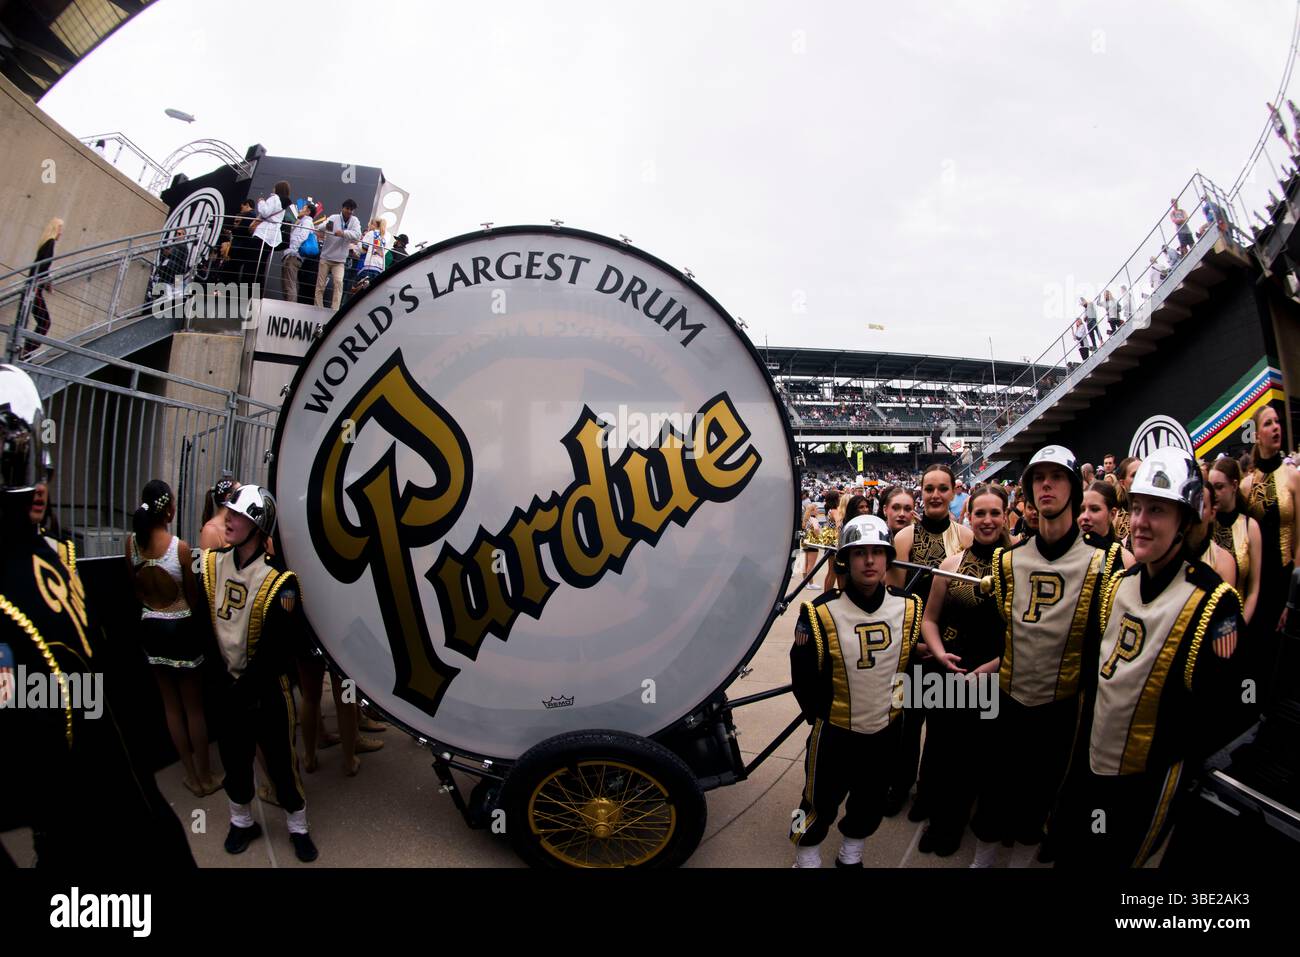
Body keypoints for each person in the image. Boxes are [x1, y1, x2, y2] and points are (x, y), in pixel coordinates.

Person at [0, 364, 195, 868]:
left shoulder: (57, 552)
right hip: (74, 801)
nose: (39, 484)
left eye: (38, 470)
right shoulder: (178, 548)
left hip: (108, 772)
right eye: (24, 467)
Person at [1053, 452, 1241, 867]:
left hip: (1147, 778)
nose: (1140, 521)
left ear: (1186, 520)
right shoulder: (1118, 583)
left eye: (1156, 510)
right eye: (1137, 508)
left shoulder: (1214, 602)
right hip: (1091, 761)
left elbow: (1221, 711)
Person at [976, 445, 1123, 863]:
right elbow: (1006, 635)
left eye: (1056, 477)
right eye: (1038, 478)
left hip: (1062, 706)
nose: (1046, 485)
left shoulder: (1105, 561)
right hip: (1007, 697)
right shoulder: (1007, 560)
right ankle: (982, 858)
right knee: (995, 785)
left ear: (1074, 488)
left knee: (1041, 794)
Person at [789, 515, 922, 867]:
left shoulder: (908, 606)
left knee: (871, 796)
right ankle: (804, 849)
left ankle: (852, 850)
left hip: (886, 728)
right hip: (834, 730)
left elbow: (905, 665)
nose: (869, 560)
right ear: (846, 559)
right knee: (815, 797)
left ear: (888, 557)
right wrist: (821, 715)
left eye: (877, 552)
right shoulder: (819, 612)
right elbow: (802, 675)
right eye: (859, 552)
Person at [195, 485, 319, 862]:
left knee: (281, 764)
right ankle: (241, 821)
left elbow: (276, 653)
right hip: (227, 687)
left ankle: (297, 827)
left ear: (259, 525)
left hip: (265, 692)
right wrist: (220, 684)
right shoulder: (211, 564)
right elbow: (204, 629)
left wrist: (242, 691)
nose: (228, 519)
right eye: (228, 512)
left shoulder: (282, 583)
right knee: (234, 761)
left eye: (239, 515)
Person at [917, 483, 1007, 860]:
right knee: (941, 750)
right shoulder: (952, 564)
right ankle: (941, 821)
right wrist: (939, 655)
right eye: (980, 513)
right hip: (950, 673)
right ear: (968, 517)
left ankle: (958, 825)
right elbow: (930, 619)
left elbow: (1025, 633)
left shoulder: (1018, 565)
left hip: (993, 677)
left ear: (1006, 516)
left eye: (995, 513)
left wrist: (993, 667)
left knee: (977, 756)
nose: (987, 520)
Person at [886, 464, 973, 820]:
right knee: (906, 724)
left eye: (942, 488)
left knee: (942, 729)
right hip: (913, 649)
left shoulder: (966, 537)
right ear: (921, 491)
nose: (935, 495)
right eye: (929, 488)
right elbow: (895, 596)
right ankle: (900, 785)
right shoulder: (905, 538)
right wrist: (911, 643)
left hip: (951, 650)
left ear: (953, 492)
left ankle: (928, 791)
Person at [126, 479, 218, 797]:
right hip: (180, 629)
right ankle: (206, 777)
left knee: (171, 706)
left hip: (149, 627)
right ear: (169, 509)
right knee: (194, 708)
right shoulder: (179, 547)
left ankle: (190, 775)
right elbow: (194, 597)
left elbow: (135, 588)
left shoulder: (131, 545)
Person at [1238, 404, 1300, 708]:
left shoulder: (1293, 476)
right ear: (1257, 434)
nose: (1276, 427)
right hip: (1259, 585)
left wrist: (1294, 596)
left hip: (1288, 580)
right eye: (1268, 423)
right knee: (1262, 656)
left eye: (1277, 422)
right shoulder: (1247, 486)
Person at [1209, 457, 1261, 629]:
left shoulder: (1250, 527)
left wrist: (1241, 625)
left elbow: (1254, 588)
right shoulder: (1205, 526)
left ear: (1234, 485)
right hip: (1205, 623)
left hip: (1240, 621)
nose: (1214, 493)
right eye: (1211, 488)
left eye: (1220, 487)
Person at [23, 218, 62, 357]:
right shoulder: (50, 243)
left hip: (33, 287)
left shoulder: (46, 243)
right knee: (45, 322)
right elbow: (42, 267)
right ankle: (26, 351)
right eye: (60, 229)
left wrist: (46, 283)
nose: (61, 233)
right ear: (55, 230)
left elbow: (40, 266)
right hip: (34, 289)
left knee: (27, 321)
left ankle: (25, 351)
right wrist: (45, 283)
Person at [315, 199, 362, 310]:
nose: (349, 211)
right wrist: (325, 227)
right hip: (326, 257)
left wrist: (344, 233)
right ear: (342, 208)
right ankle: (318, 308)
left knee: (338, 283)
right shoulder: (334, 218)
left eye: (351, 209)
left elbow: (357, 235)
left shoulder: (354, 221)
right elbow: (322, 228)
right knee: (320, 285)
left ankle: (334, 310)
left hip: (340, 260)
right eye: (347, 208)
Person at [1078, 480, 1135, 568]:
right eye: (1082, 510)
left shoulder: (1125, 560)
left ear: (1112, 514)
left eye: (1094, 509)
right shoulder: (1066, 553)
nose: (1085, 516)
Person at [251, 181, 291, 285]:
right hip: (272, 237)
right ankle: (257, 295)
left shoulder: (274, 198)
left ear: (277, 189)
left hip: (262, 233)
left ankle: (248, 293)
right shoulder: (284, 203)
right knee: (262, 264)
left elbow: (265, 212)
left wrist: (261, 202)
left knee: (252, 264)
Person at [281, 201, 314, 303]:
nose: (300, 210)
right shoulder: (302, 221)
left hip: (293, 256)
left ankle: (289, 310)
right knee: (287, 284)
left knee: (289, 285)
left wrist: (293, 250)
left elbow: (302, 236)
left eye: (303, 208)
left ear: (308, 211)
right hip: (292, 255)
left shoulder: (307, 221)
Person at [200, 477, 238, 549]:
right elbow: (206, 560)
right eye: (240, 492)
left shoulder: (238, 526)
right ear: (229, 497)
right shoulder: (210, 531)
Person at [356, 218, 388, 286]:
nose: (368, 226)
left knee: (358, 290)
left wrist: (358, 243)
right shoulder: (383, 238)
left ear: (373, 225)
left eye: (369, 224)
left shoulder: (371, 233)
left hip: (368, 267)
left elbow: (363, 249)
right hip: (379, 269)